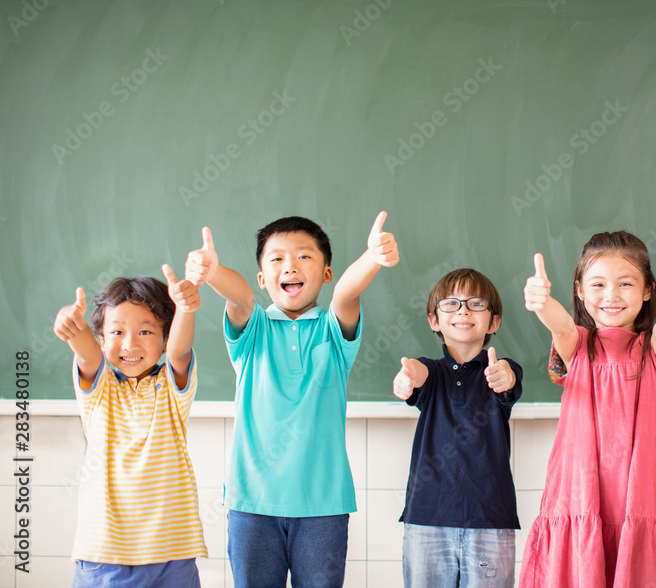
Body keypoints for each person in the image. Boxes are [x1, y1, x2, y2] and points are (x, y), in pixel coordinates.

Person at [184, 213, 398, 588]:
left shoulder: (333, 332)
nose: (291, 266)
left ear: (326, 273)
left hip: (323, 507)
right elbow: (240, 297)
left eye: (304, 256)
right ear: (264, 278)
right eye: (277, 258)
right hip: (252, 505)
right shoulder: (253, 332)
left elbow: (348, 294)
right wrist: (214, 272)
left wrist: (371, 258)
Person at [518, 231, 656, 588]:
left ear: (648, 290)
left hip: (639, 493)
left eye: (626, 284)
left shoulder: (651, 350)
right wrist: (542, 304)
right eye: (598, 284)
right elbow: (560, 325)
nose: (612, 295)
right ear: (580, 291)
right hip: (581, 491)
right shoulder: (577, 346)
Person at [53, 267, 207, 587]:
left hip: (171, 553)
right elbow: (87, 354)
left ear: (164, 338)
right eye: (117, 332)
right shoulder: (100, 391)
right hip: (104, 556)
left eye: (146, 332)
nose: (130, 344)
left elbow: (179, 351)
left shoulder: (170, 388)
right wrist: (72, 325)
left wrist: (186, 310)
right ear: (102, 338)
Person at [392, 268, 522, 587]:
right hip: (427, 518)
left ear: (494, 321)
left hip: (490, 520)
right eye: (451, 303)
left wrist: (505, 375)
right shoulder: (431, 372)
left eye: (476, 303)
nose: (463, 310)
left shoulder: (501, 369)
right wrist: (407, 377)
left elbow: (509, 378)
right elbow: (418, 373)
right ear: (434, 320)